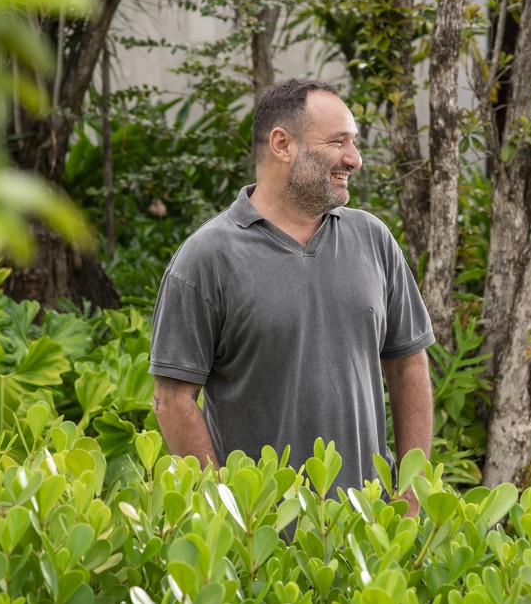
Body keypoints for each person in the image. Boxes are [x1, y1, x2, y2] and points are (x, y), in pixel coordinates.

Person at [149, 77, 434, 516]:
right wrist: (228, 512)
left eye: (354, 142)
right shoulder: (206, 258)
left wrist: (412, 491)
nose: (354, 159)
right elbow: (172, 399)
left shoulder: (372, 239)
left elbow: (407, 364)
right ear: (282, 144)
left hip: (370, 526)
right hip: (264, 536)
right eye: (338, 141)